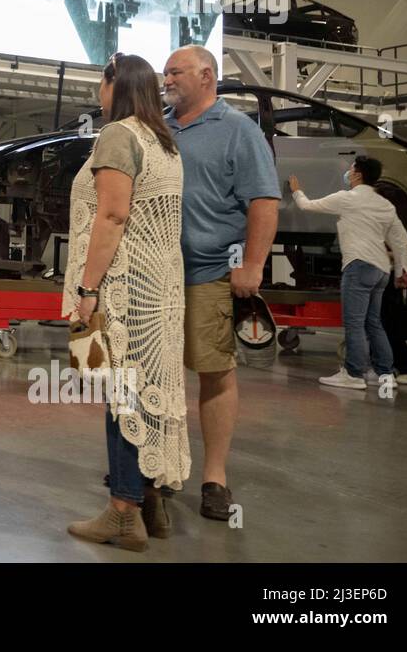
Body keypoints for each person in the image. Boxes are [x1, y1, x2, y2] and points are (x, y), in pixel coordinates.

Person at [65, 54, 189, 552]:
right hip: (159, 291)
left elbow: (112, 217)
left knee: (121, 395)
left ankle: (122, 513)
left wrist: (87, 289)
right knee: (143, 391)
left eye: (101, 80)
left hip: (122, 290)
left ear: (116, 84)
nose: (98, 88)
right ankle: (151, 503)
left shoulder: (118, 135)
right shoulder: (164, 142)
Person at [162, 45, 279, 522]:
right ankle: (159, 466)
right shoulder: (159, 129)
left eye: (175, 72)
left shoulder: (239, 132)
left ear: (207, 76)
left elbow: (263, 202)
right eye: (164, 72)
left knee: (214, 372)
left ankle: (214, 478)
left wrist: (252, 265)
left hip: (210, 273)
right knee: (156, 376)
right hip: (157, 279)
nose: (165, 79)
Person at [289, 156, 407, 393]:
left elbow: (307, 206)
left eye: (351, 168)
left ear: (357, 175)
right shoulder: (385, 204)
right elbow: (401, 241)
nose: (348, 172)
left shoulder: (347, 199)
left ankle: (354, 374)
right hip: (381, 271)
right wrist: (402, 270)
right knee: (374, 323)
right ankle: (385, 374)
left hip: (358, 266)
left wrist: (297, 191)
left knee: (354, 324)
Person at [373, 180, 407, 385]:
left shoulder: (390, 219)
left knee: (388, 324)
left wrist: (384, 254)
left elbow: (406, 249)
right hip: (388, 274)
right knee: (383, 323)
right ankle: (393, 366)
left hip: (395, 277)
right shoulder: (384, 217)